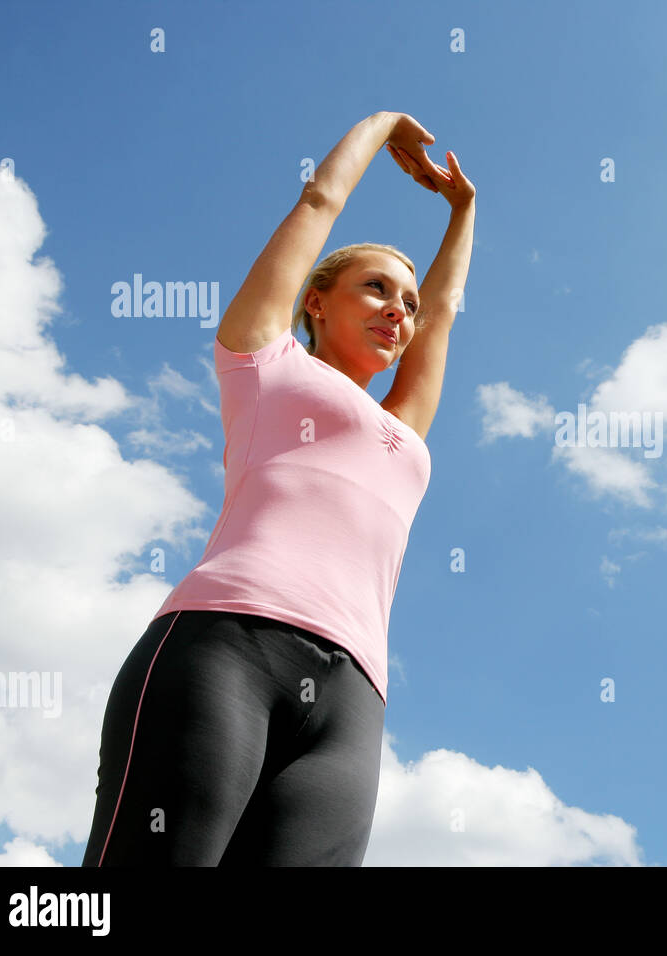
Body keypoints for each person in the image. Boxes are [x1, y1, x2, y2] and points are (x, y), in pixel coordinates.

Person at [81, 111, 475, 865]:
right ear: (316, 302)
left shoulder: (403, 428)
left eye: (407, 301)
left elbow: (445, 311)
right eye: (376, 289)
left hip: (353, 698)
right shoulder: (266, 364)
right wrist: (383, 122)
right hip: (228, 645)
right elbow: (318, 205)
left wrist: (463, 209)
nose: (400, 308)